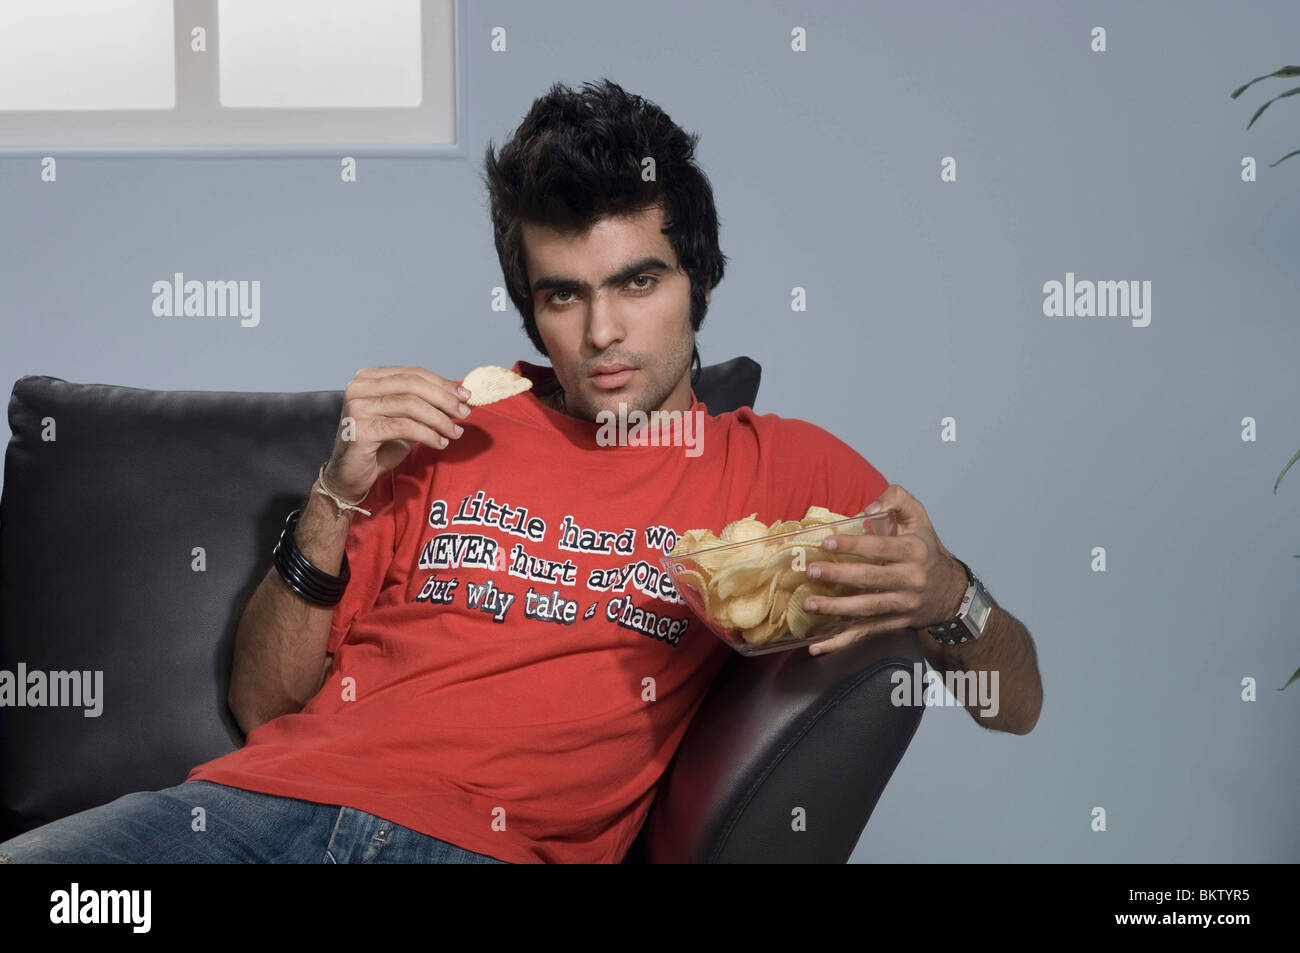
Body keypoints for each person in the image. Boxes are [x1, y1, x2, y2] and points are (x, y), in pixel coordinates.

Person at [0, 79, 1041, 866]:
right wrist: (336, 490)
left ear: (703, 280)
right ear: (529, 306)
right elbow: (264, 703)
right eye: (562, 295)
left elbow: (1014, 699)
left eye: (639, 280)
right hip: (240, 816)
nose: (602, 332)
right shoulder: (450, 431)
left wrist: (951, 595)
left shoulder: (779, 466)